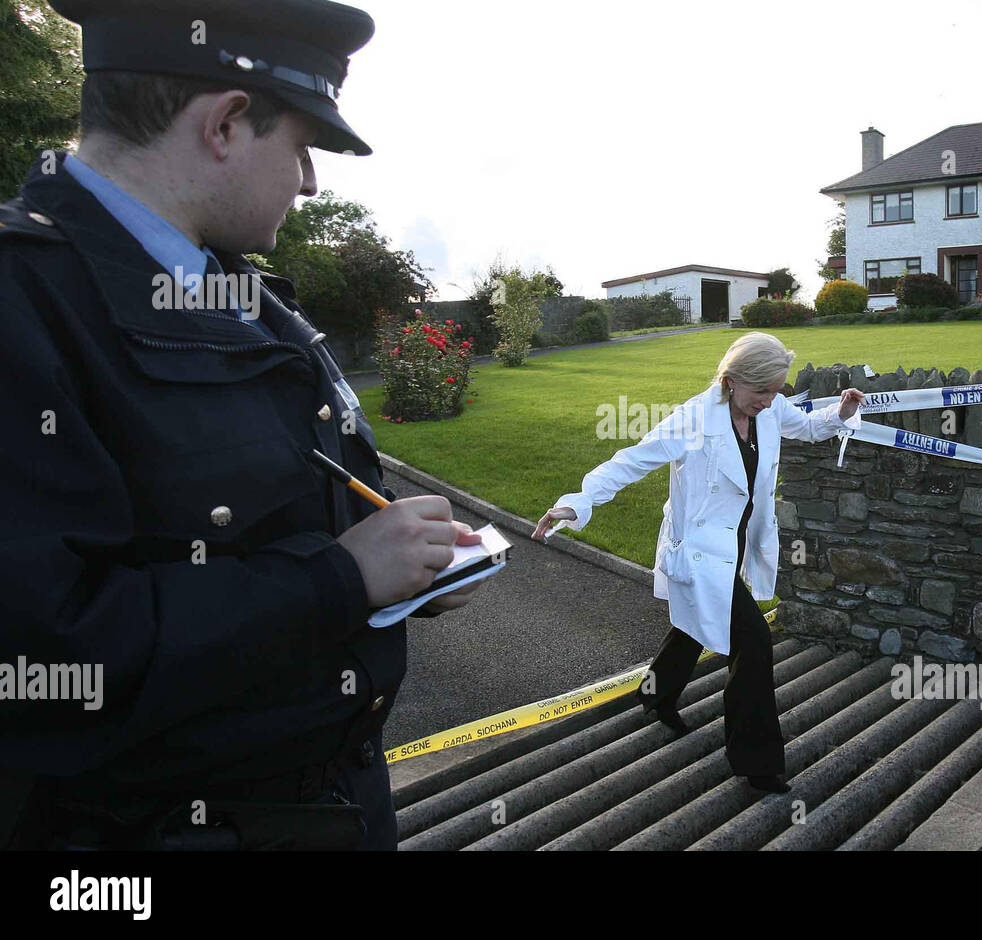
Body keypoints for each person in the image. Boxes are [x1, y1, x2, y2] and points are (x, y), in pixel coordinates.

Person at [0, 0, 483, 851]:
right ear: (226, 123)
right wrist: (339, 580)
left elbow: (282, 507)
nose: (309, 183)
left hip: (331, 807)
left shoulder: (240, 292)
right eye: (301, 146)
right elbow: (44, 662)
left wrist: (412, 563)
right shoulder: (21, 302)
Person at [532, 332, 865, 792]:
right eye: (760, 392)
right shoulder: (693, 420)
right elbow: (631, 461)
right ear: (730, 382)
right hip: (701, 552)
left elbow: (806, 425)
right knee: (753, 640)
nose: (770, 402)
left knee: (693, 625)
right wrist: (578, 503)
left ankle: (655, 696)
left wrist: (842, 414)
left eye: (776, 391)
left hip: (737, 544)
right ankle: (757, 763)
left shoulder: (770, 411)